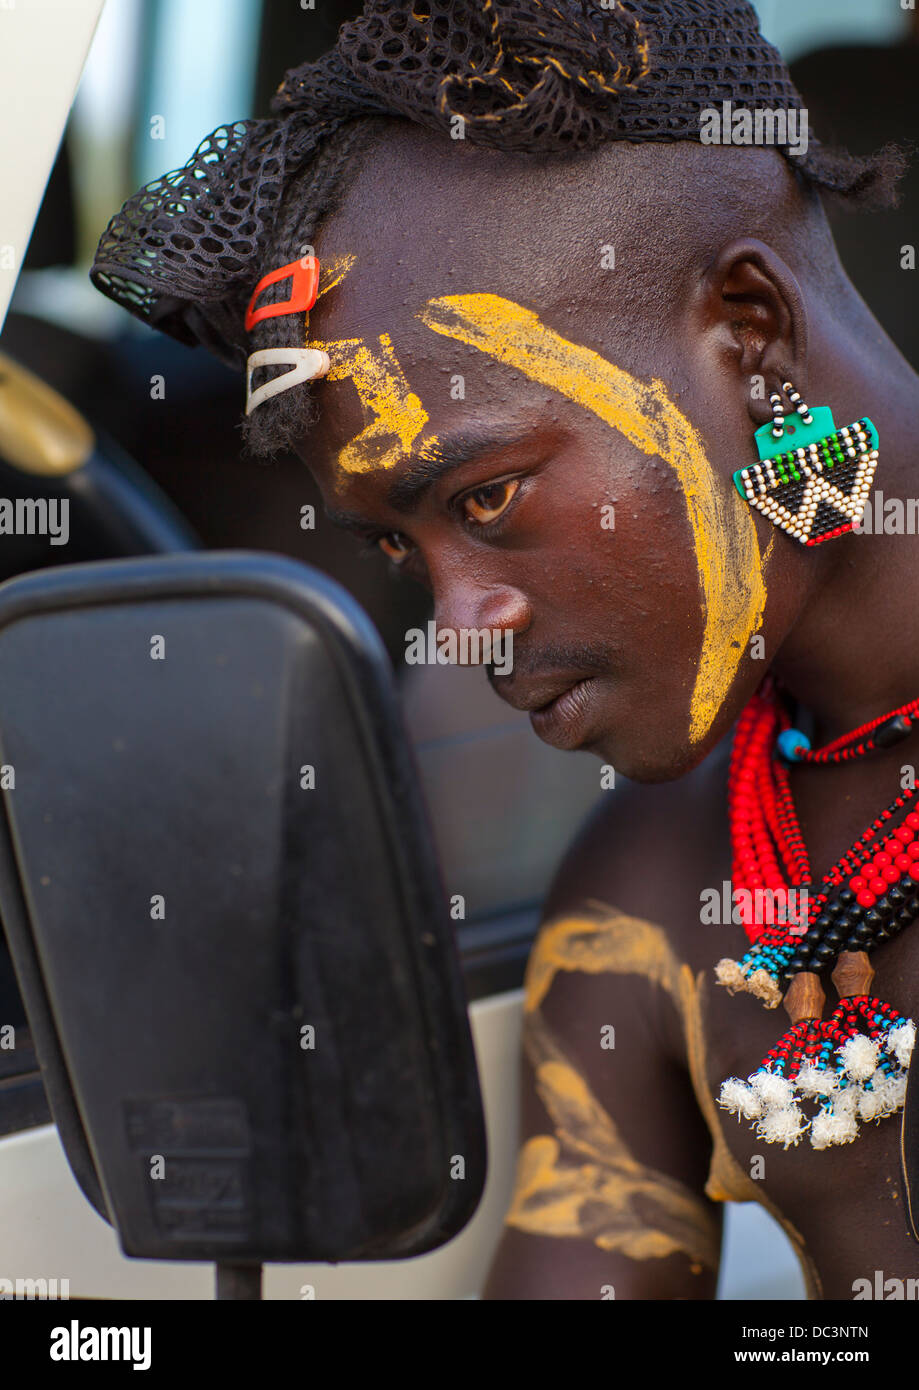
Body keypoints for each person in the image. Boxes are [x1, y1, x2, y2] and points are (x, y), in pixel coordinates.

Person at [90, 0, 919, 1299]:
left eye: (487, 498)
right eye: (401, 550)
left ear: (748, 335)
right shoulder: (651, 889)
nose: (459, 619)